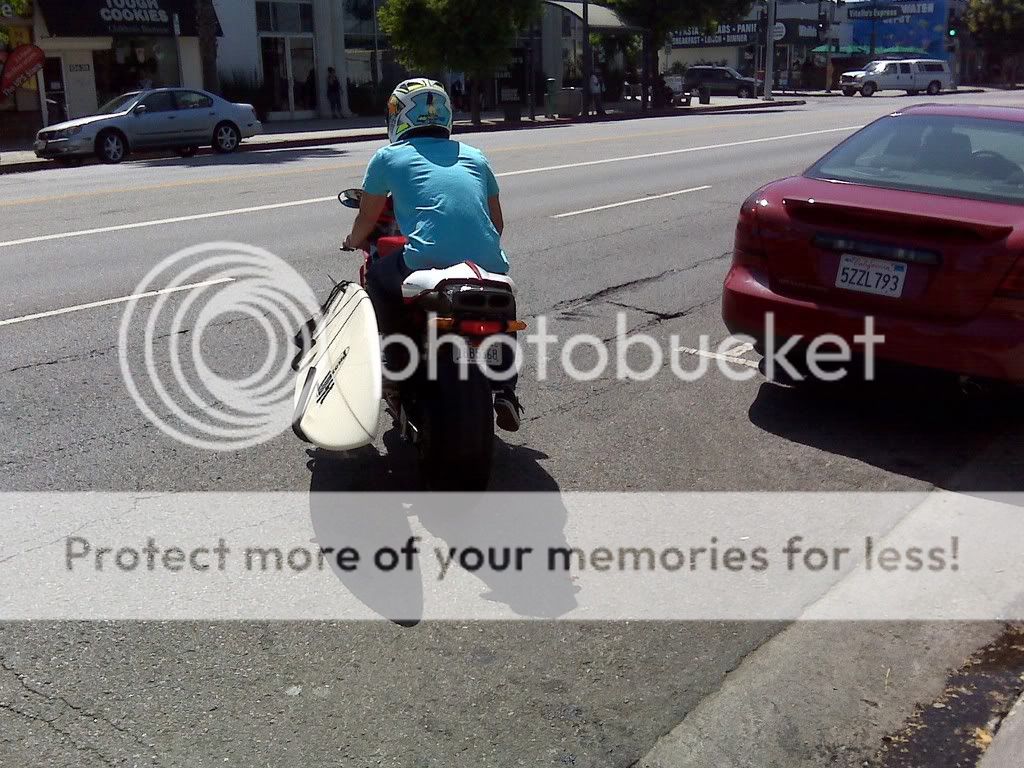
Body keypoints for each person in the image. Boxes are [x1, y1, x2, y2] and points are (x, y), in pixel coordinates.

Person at [343, 78, 522, 431]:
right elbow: (496, 221)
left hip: (424, 259)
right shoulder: (475, 155)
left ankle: (394, 370)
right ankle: (504, 389)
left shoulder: (388, 157)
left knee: (378, 279)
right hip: (485, 262)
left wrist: (352, 240)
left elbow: (367, 217)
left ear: (397, 117)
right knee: (501, 307)